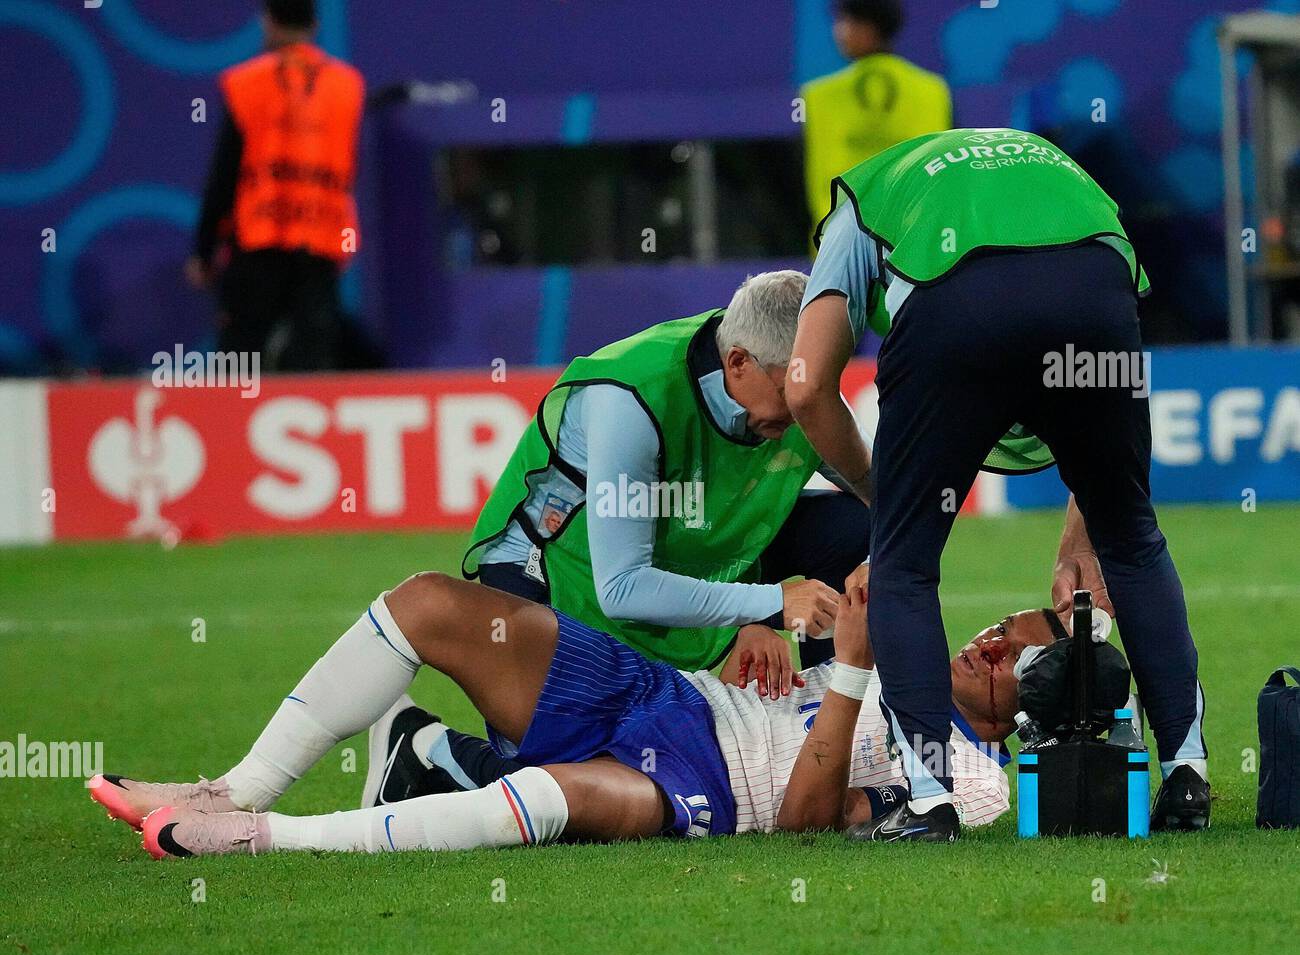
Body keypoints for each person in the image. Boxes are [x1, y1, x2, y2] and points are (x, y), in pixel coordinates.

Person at [787, 127, 1209, 843]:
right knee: (1133, 537)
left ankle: (927, 801)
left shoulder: (857, 199)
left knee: (906, 566)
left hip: (957, 315)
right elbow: (1109, 333)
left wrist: (879, 498)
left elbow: (805, 389)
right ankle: (1187, 773)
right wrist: (1084, 531)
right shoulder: (1065, 169)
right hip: (1097, 302)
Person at [87, 571, 1067, 857]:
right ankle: (232, 785)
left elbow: (811, 823)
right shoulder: (892, 649)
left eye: (1016, 652)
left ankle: (261, 837)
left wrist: (847, 674)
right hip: (663, 697)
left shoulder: (975, 789)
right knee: (433, 605)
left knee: (553, 799)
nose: (986, 642)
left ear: (1038, 707)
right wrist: (756, 630)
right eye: (996, 625)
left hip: (707, 791)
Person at [382, 272, 871, 805]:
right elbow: (623, 588)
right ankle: (426, 749)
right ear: (738, 363)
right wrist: (767, 606)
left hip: (677, 546)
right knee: (595, 796)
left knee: (853, 525)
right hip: (547, 572)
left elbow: (882, 494)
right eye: (791, 391)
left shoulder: (800, 391)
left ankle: (832, 722)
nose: (807, 405)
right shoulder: (632, 394)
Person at [187, 0, 364, 372]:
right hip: (320, 240)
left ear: (268, 23)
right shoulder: (347, 85)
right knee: (312, 362)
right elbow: (348, 168)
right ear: (315, 25)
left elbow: (225, 173)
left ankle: (228, 428)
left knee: (239, 362)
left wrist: (204, 251)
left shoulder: (245, 83)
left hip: (258, 240)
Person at [802, 0, 951, 230]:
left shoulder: (819, 95)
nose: (838, 31)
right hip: (916, 238)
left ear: (868, 28)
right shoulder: (933, 89)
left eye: (846, 21)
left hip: (838, 240)